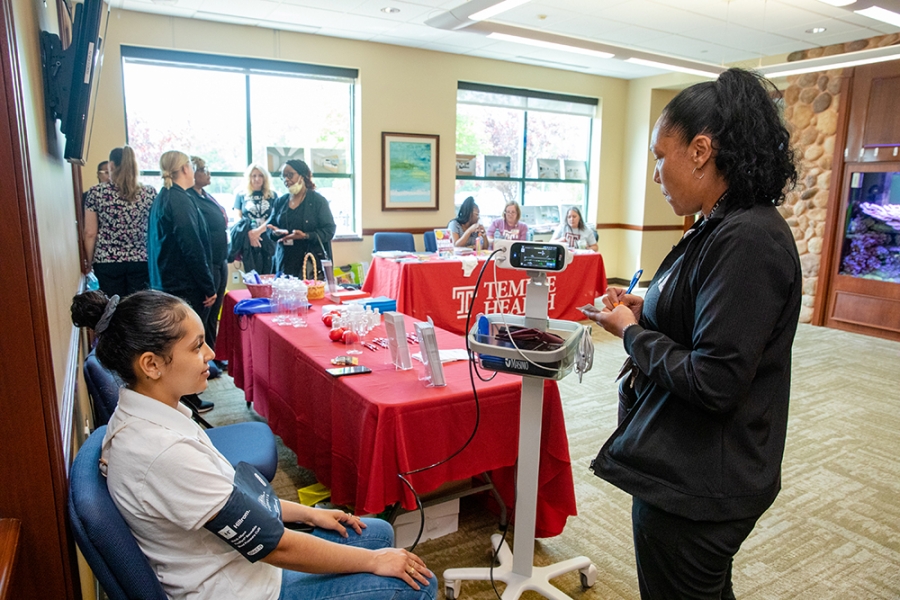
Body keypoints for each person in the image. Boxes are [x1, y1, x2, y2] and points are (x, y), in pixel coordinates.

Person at [580, 68, 802, 599]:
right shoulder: (719, 223)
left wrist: (633, 334)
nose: (655, 172)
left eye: (661, 155)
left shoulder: (748, 238)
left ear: (701, 150)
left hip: (704, 482)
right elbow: (707, 318)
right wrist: (649, 311)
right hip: (687, 465)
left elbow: (715, 379)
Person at [70, 289, 437, 600]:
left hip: (237, 562)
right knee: (416, 583)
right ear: (151, 365)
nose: (211, 355)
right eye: (197, 347)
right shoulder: (162, 452)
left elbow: (232, 497)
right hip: (240, 586)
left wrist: (310, 513)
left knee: (379, 533)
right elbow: (274, 546)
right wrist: (374, 563)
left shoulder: (151, 414)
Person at [147, 150, 216, 413]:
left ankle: (185, 398)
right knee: (186, 344)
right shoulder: (179, 200)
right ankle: (189, 398)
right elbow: (192, 248)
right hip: (183, 286)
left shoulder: (165, 197)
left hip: (167, 281)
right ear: (185, 169)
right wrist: (207, 286)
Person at [83, 146, 157, 298]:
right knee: (136, 308)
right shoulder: (149, 193)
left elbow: (90, 232)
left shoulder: (96, 192)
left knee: (113, 307)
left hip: (107, 261)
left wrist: (88, 262)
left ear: (111, 166)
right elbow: (154, 228)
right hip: (141, 260)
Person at [188, 156, 228, 368]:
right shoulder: (189, 199)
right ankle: (202, 360)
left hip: (220, 261)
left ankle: (213, 355)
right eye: (203, 169)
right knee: (203, 314)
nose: (208, 172)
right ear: (191, 173)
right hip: (208, 262)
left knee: (214, 315)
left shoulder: (205, 195)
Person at [267, 159, 336, 278]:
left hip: (310, 262)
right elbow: (270, 228)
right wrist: (275, 232)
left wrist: (306, 235)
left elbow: (329, 230)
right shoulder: (280, 202)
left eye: (290, 175)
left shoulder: (318, 201)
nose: (286, 180)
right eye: (283, 176)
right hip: (284, 260)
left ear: (302, 176)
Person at [231, 162, 277, 275]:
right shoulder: (241, 195)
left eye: (261, 175)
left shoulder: (272, 195)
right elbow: (238, 217)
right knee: (252, 275)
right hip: (249, 239)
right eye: (254, 175)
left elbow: (274, 217)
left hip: (268, 238)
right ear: (249, 177)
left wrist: (258, 232)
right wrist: (250, 234)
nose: (257, 179)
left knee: (269, 274)